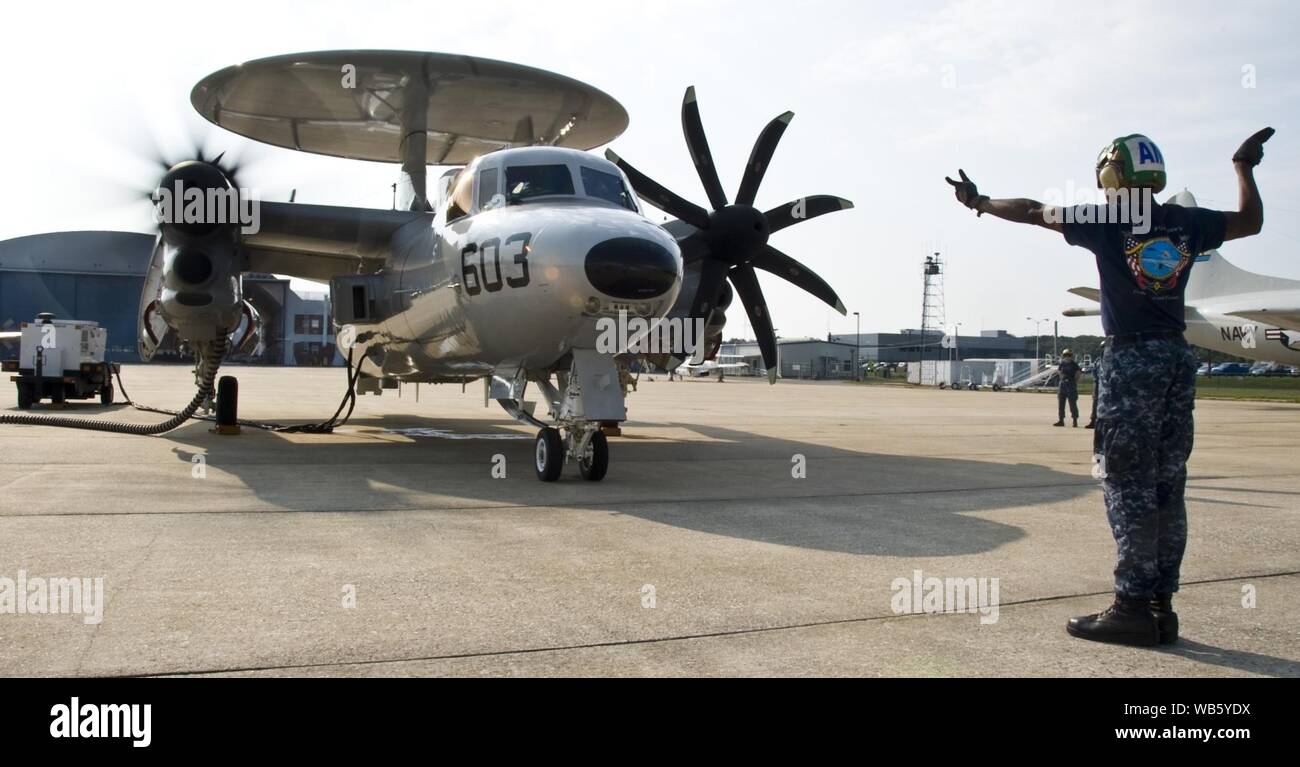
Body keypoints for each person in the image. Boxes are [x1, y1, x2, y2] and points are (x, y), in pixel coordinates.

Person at [946, 128, 1273, 647]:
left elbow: (1033, 210)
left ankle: (1131, 607)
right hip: (1176, 357)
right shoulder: (1186, 221)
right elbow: (1250, 222)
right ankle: (1161, 607)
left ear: (1111, 176)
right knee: (1168, 484)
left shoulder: (1105, 219)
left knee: (1126, 481)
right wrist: (1243, 168)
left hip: (1132, 357)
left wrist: (980, 202)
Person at [1055, 349, 1081, 427]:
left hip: (1071, 384)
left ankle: (1075, 420)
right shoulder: (1062, 364)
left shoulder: (1074, 364)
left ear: (1071, 356)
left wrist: (1074, 382)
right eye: (1065, 355)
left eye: (1069, 355)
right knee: (1061, 403)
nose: (1067, 357)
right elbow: (1059, 371)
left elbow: (1078, 374)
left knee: (1072, 403)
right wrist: (1062, 378)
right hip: (1062, 384)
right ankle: (1061, 420)